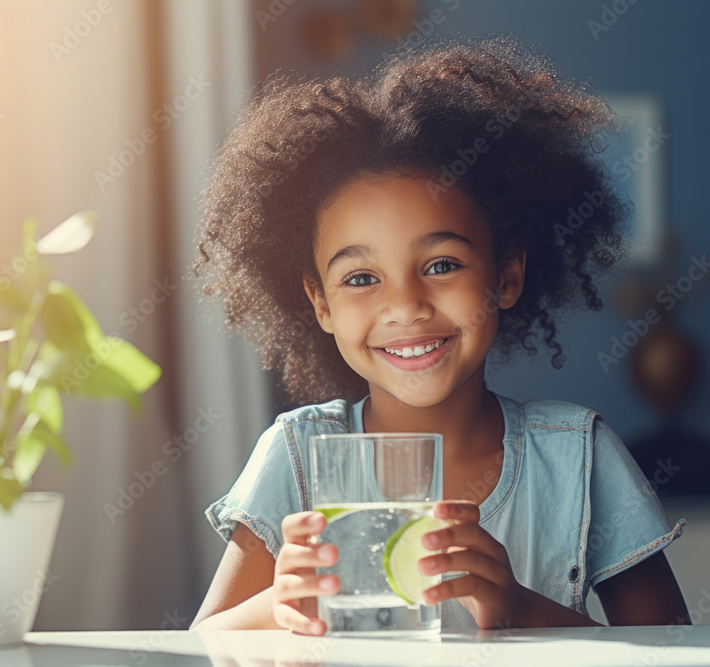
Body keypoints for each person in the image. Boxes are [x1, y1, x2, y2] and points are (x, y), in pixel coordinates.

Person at [188, 36, 690, 634]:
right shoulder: (296, 456)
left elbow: (674, 651)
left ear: (507, 275)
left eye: (442, 265)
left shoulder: (578, 457)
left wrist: (517, 608)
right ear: (319, 303)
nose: (404, 305)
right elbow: (199, 647)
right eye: (361, 278)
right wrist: (278, 605)